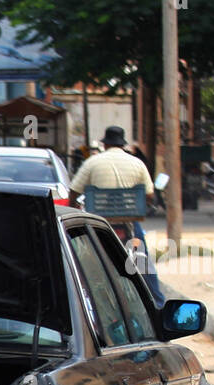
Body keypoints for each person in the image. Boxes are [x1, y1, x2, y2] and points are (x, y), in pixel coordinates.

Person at [68, 125, 164, 307]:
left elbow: (74, 191)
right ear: (122, 144)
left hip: (99, 222)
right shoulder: (137, 163)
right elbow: (150, 195)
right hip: (129, 222)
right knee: (144, 261)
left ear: (105, 144)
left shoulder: (92, 162)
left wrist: (73, 207)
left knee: (84, 260)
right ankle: (158, 303)